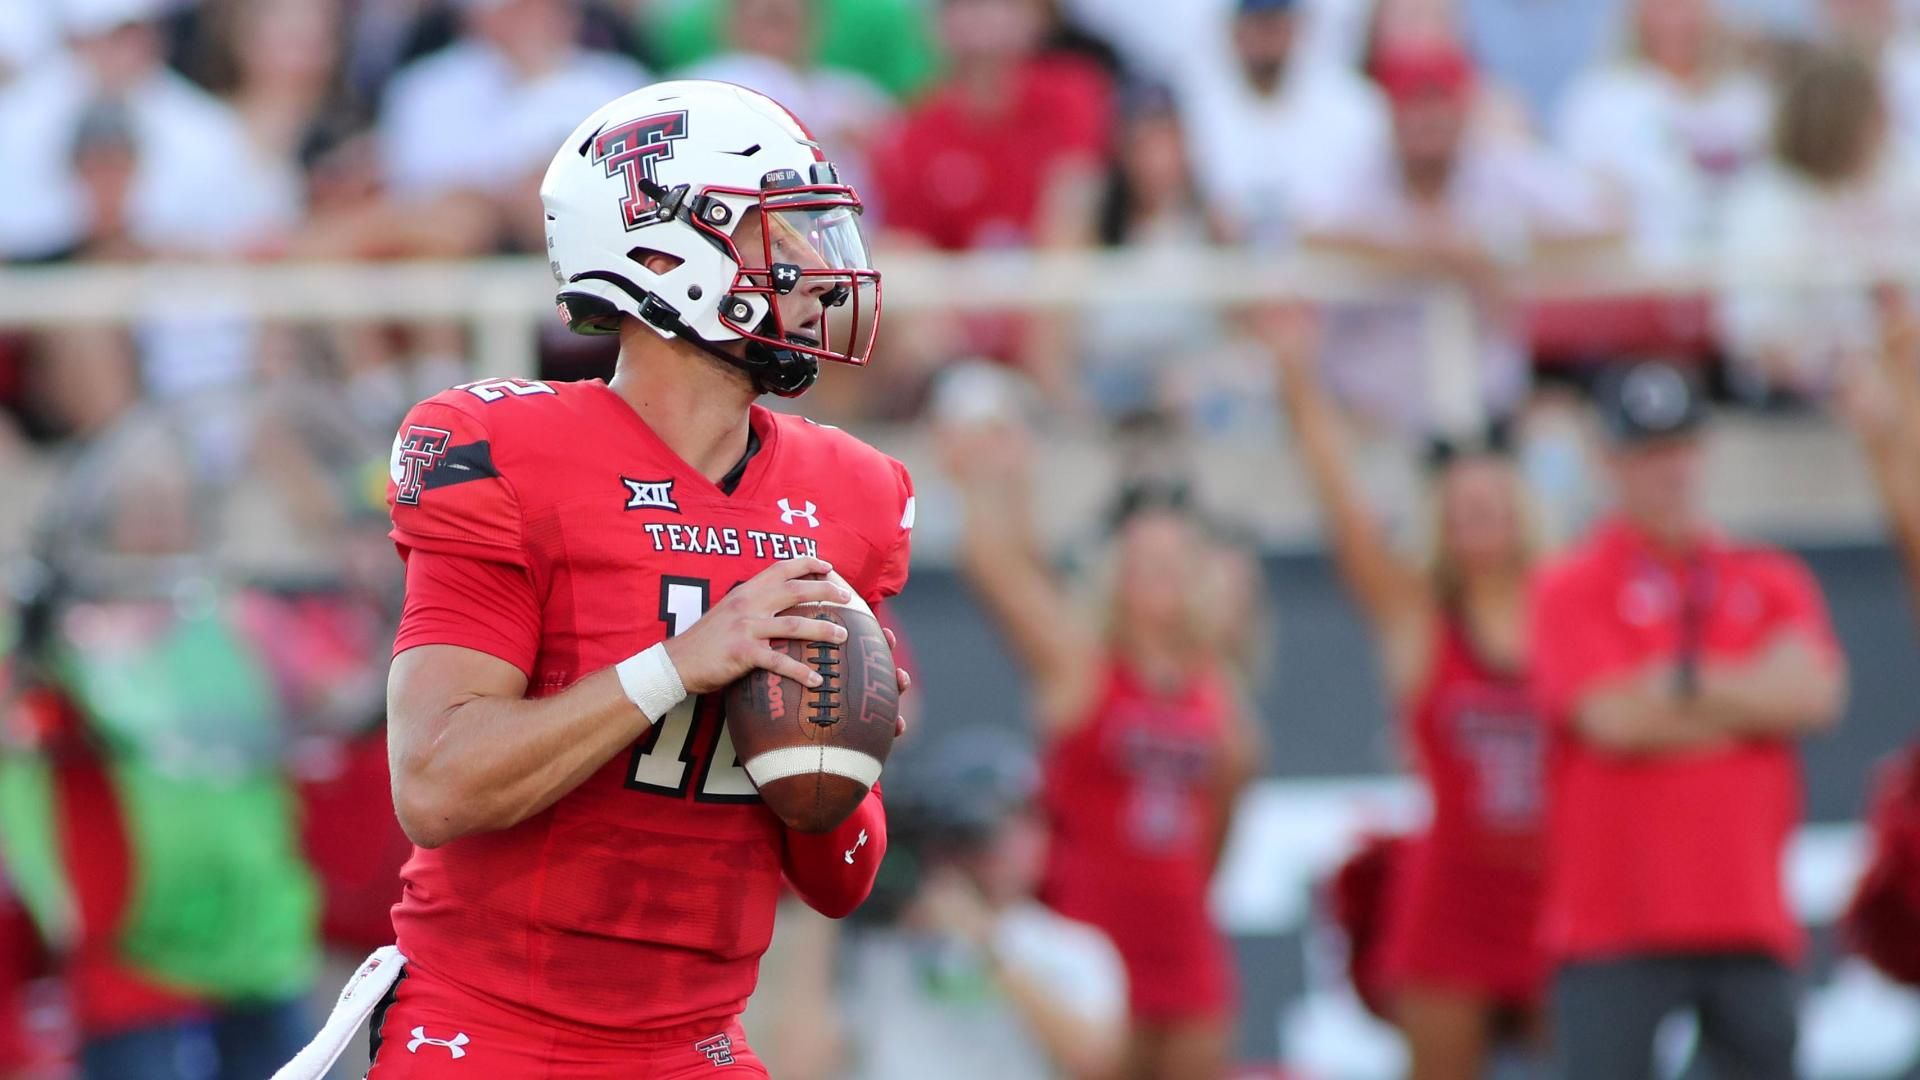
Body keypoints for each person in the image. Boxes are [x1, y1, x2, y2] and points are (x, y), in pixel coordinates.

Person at [271, 80, 915, 1080]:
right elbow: (436, 785)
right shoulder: (498, 448)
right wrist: (679, 667)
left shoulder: (855, 493)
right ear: (664, 252)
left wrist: (840, 767)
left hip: (697, 1042)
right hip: (488, 1032)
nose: (816, 275)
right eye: (779, 240)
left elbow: (839, 884)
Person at [1528, 360, 1848, 1080]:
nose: (1669, 472)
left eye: (1679, 448)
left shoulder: (1768, 577)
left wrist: (1674, 687)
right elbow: (1610, 719)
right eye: (1647, 453)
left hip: (1747, 915)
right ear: (1610, 462)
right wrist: (1749, 703)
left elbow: (1814, 696)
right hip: (1612, 924)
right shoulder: (1570, 584)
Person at [941, 413, 1263, 1080]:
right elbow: (997, 570)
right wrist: (985, 475)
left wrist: (1190, 890)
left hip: (1184, 943)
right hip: (1088, 936)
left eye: (1176, 561)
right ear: (1115, 568)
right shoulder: (1082, 664)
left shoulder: (1214, 682)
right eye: (1144, 560)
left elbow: (1229, 800)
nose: (1161, 575)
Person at [1271, 313, 1546, 1078]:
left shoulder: (1569, 608)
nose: (1476, 515)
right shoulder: (1420, 619)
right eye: (1460, 505)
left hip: (1557, 886)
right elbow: (1347, 519)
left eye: (1491, 499)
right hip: (1453, 895)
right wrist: (1296, 381)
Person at [1299, 39, 1618, 433]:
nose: (1427, 119)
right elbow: (1307, 232)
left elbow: (1607, 222)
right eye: (1413, 104)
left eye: (1439, 103)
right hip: (1372, 418)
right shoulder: (1360, 168)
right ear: (1391, 112)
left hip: (1488, 414)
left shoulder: (1499, 165)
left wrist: (1497, 247)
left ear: (1463, 109)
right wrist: (1425, 251)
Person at [842, 730, 1128, 1080]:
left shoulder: (1076, 949)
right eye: (982, 827)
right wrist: (830, 898)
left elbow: (1096, 1060)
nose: (997, 844)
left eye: (1018, 820)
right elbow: (800, 1059)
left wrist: (987, 944)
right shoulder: (886, 937)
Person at [1716, 45, 1920, 403]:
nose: (1884, 124)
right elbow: (1759, 340)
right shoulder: (1768, 201)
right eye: (1873, 112)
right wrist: (1842, 375)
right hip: (1806, 395)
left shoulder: (1901, 174)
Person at [1555, 0, 1772, 267]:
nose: (1677, 20)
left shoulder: (1748, 99)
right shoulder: (1600, 100)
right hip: (1639, 283)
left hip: (1740, 273)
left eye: (1688, 6)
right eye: (1664, 6)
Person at [1175, 0, 1389, 251]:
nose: (1268, 36)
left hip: (1336, 278)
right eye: (1258, 22)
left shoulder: (1356, 107)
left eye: (1277, 21)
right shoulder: (1194, 108)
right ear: (1235, 30)